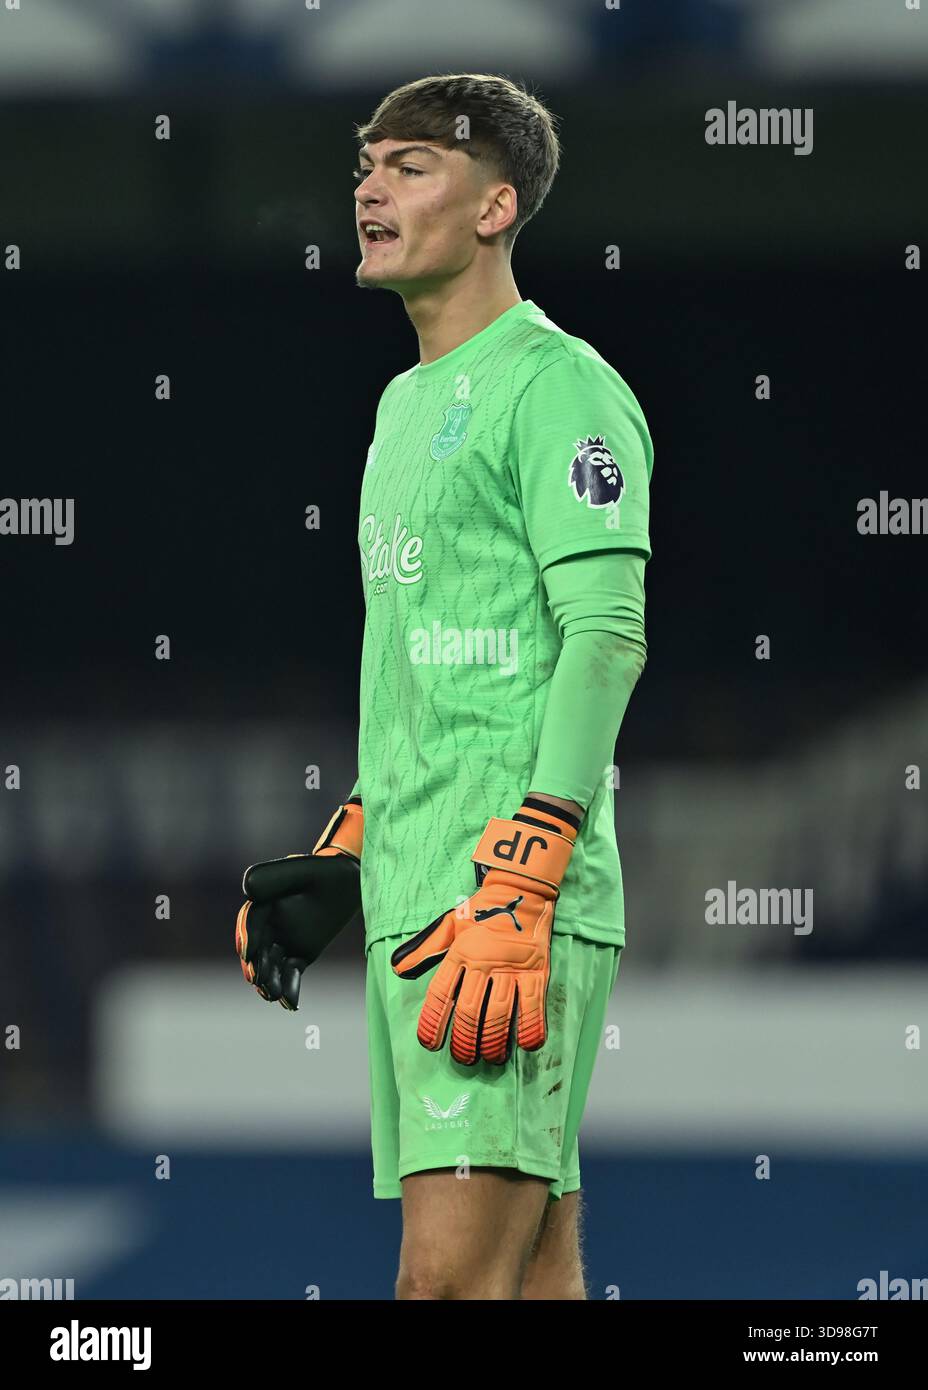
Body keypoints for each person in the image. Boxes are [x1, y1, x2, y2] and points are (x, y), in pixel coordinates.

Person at [236, 72, 653, 1301]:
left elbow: (604, 636)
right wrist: (360, 836)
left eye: (411, 166)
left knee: (447, 1287)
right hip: (423, 895)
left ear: (494, 206)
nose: (370, 187)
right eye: (366, 165)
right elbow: (431, 667)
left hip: (498, 903)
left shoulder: (556, 383)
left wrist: (527, 869)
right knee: (529, 1277)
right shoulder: (403, 405)